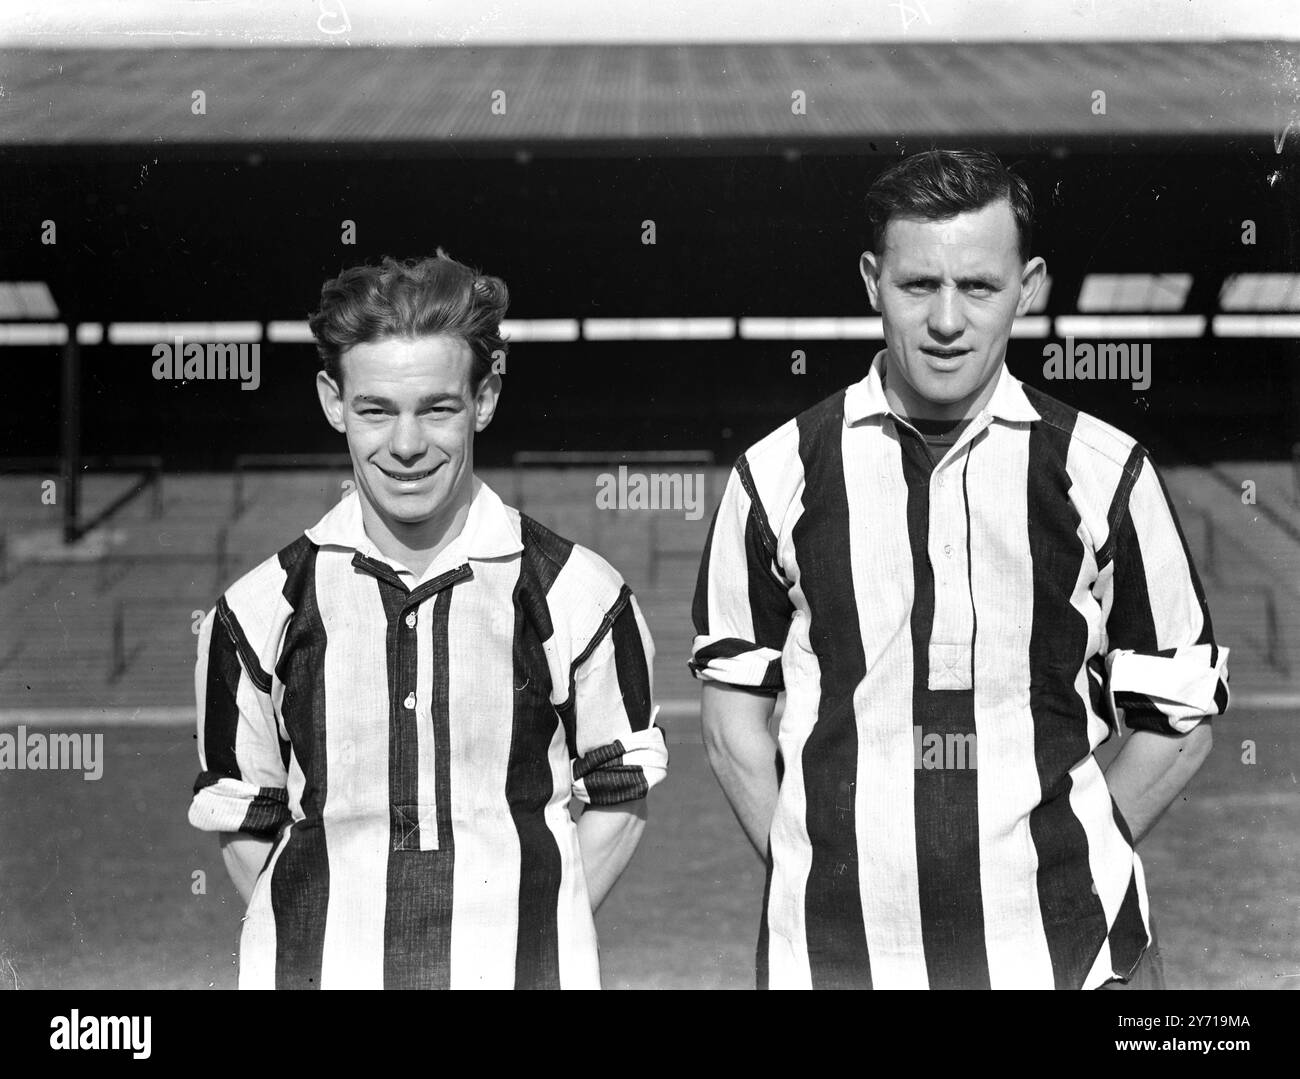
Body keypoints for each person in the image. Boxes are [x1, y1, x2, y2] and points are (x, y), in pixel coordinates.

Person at [690, 149, 1229, 990]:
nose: (948, 320)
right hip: (834, 961)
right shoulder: (778, 472)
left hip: (1072, 960)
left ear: (1030, 284)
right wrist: (826, 871)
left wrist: (1066, 856)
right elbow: (731, 728)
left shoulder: (1103, 468)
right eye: (918, 286)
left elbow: (1180, 714)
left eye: (978, 286)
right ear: (873, 281)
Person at [188, 252, 668, 989]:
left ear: (484, 398)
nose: (406, 445)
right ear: (332, 400)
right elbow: (243, 820)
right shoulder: (256, 612)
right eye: (376, 409)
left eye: (437, 408)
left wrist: (529, 929)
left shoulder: (579, 593)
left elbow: (620, 791)